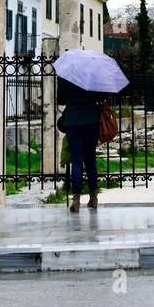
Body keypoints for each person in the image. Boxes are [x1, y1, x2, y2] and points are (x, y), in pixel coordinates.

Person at [57, 76, 103, 212]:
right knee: (90, 160)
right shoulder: (91, 75)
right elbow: (101, 96)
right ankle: (93, 197)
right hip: (91, 121)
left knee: (76, 162)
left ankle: (76, 199)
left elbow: (60, 100)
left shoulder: (65, 76)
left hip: (73, 122)